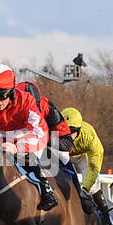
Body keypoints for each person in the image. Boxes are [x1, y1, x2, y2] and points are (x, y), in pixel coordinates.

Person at [0, 65, 55, 210]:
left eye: (2, 96)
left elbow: (41, 133)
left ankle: (46, 189)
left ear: (12, 92)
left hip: (23, 137)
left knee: (28, 157)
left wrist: (17, 147)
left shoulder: (26, 101)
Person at [19, 80, 92, 213]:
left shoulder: (48, 108)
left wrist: (44, 141)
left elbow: (67, 143)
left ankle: (79, 195)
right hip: (19, 139)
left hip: (46, 140)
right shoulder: (8, 105)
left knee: (63, 156)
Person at [60, 107, 104, 215]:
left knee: (92, 188)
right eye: (65, 130)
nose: (68, 135)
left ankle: (109, 221)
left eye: (72, 131)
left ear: (79, 130)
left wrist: (84, 190)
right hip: (64, 154)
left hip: (82, 156)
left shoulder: (89, 136)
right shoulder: (55, 130)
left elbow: (94, 168)